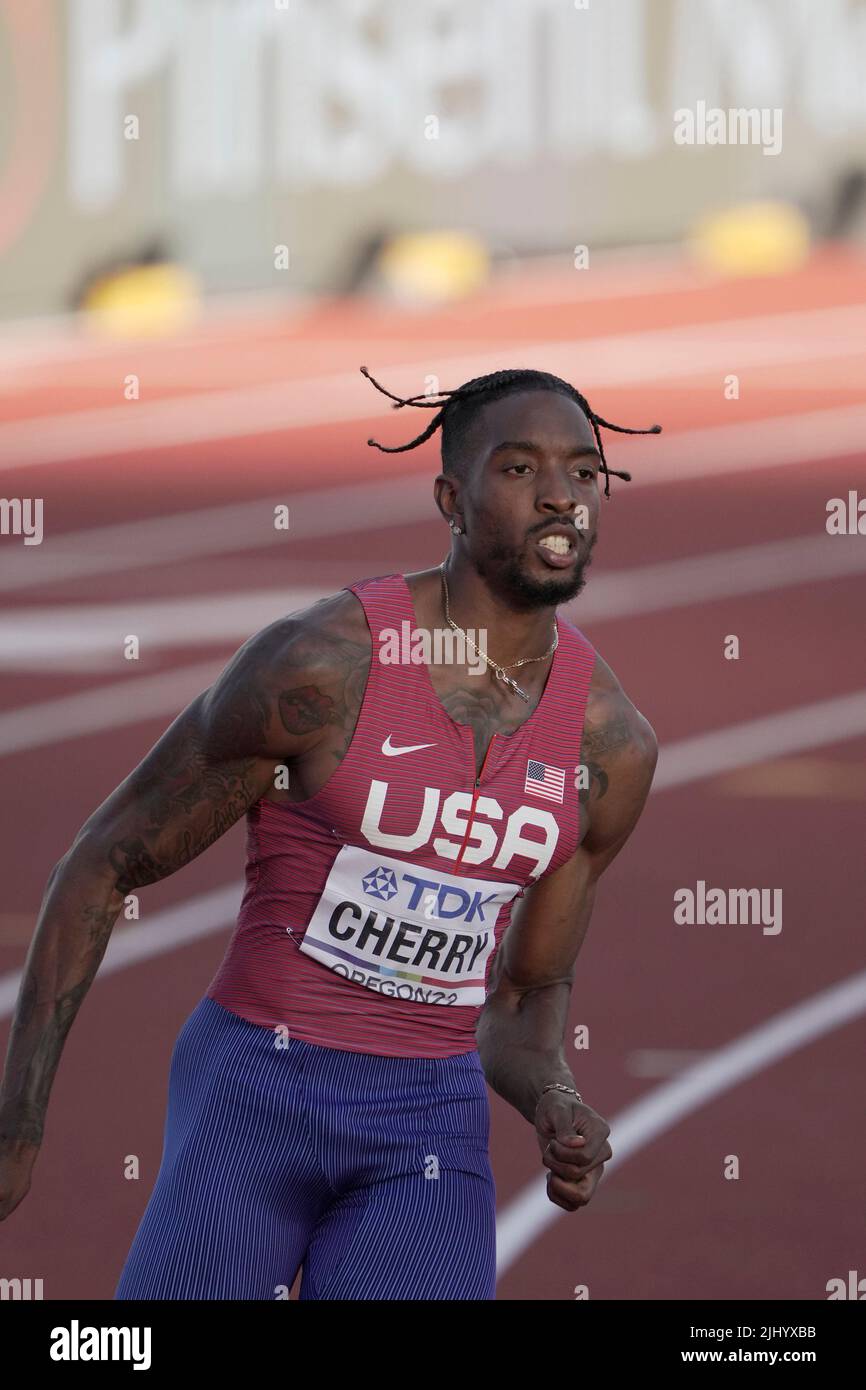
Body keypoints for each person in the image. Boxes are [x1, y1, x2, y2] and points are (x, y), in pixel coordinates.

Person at [0, 367, 660, 1300]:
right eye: (519, 468)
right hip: (254, 1095)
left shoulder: (610, 750)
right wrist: (17, 1121)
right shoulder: (320, 671)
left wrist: (553, 1098)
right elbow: (103, 866)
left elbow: (524, 998)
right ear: (452, 499)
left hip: (427, 1124)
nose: (561, 494)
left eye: (586, 472)